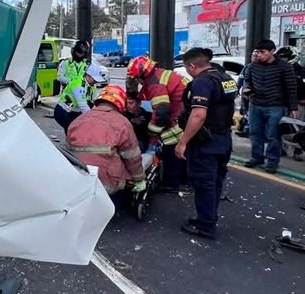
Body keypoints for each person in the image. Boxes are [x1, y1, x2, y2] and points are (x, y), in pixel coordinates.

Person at [176, 48, 237, 239]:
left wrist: (183, 142)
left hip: (206, 141)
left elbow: (198, 115)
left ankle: (205, 226)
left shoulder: (202, 82)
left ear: (191, 66)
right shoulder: (225, 78)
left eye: (188, 69)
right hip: (224, 138)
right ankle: (208, 217)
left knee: (204, 184)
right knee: (214, 182)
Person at [67, 85, 146, 210]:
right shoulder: (122, 123)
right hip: (106, 184)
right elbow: (132, 157)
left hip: (79, 179)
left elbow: (70, 152)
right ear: (121, 103)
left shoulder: (78, 120)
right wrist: (139, 179)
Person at [127, 55, 188, 191]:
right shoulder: (160, 74)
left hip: (177, 117)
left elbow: (161, 112)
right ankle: (184, 178)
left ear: (142, 75)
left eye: (137, 78)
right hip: (183, 113)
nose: (138, 81)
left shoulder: (155, 84)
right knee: (182, 150)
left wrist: (152, 132)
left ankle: (171, 184)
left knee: (170, 149)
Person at [241, 40, 298, 173]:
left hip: (276, 106)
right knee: (255, 132)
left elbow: (291, 88)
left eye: (263, 52)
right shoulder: (253, 66)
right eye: (257, 52)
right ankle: (256, 157)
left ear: (272, 51)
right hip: (255, 104)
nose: (259, 55)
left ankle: (272, 161)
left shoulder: (285, 67)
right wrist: (248, 89)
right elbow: (247, 80)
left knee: (274, 135)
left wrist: (293, 107)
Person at [55, 62, 108, 132]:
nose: (96, 81)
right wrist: (95, 119)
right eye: (94, 79)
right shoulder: (78, 85)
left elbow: (94, 101)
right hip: (64, 112)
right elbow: (83, 106)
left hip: (75, 111)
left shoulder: (92, 85)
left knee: (79, 130)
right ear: (88, 75)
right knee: (74, 130)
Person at [276, 46, 305, 122]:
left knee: (294, 126)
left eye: (285, 57)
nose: (282, 59)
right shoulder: (274, 69)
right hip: (279, 104)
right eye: (281, 57)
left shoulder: (300, 70)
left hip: (298, 105)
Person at [236, 50, 260, 136]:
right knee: (246, 111)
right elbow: (240, 79)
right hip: (246, 94)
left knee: (251, 112)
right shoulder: (247, 67)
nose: (254, 58)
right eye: (253, 56)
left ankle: (248, 130)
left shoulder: (262, 68)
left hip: (255, 96)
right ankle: (245, 129)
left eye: (256, 56)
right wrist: (237, 89)